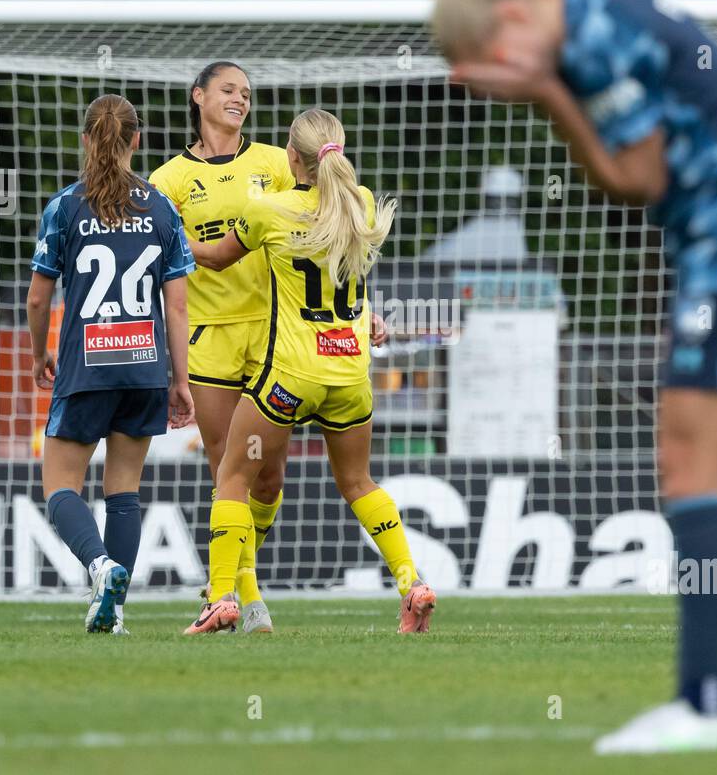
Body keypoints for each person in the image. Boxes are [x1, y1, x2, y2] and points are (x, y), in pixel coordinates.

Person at [422, 0, 717, 753]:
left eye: (496, 56)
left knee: (692, 464)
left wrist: (544, 94)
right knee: (693, 464)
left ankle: (705, 706)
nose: (501, 75)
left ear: (515, 13)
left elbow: (640, 180)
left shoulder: (595, 36)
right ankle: (703, 698)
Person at [151, 63, 386, 633]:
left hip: (276, 333)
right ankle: (243, 600)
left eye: (247, 94)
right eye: (229, 90)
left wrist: (362, 307)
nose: (240, 100)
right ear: (199, 96)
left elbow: (322, 229)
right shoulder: (170, 179)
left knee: (268, 476)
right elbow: (164, 267)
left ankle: (225, 584)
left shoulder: (272, 165)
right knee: (226, 467)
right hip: (208, 334)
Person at [182, 108, 436, 636]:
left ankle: (222, 596)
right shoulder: (360, 202)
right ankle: (411, 583)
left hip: (289, 378)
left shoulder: (268, 209)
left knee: (232, 476)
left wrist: (171, 240)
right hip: (350, 375)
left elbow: (215, 259)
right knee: (358, 481)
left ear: (290, 158)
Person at [28, 94, 194, 633]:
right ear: (136, 141)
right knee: (123, 489)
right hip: (144, 367)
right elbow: (178, 303)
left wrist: (38, 353)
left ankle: (100, 568)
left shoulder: (66, 206)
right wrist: (180, 379)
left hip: (86, 367)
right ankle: (115, 614)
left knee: (59, 488)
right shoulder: (163, 208)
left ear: (85, 140)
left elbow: (37, 298)